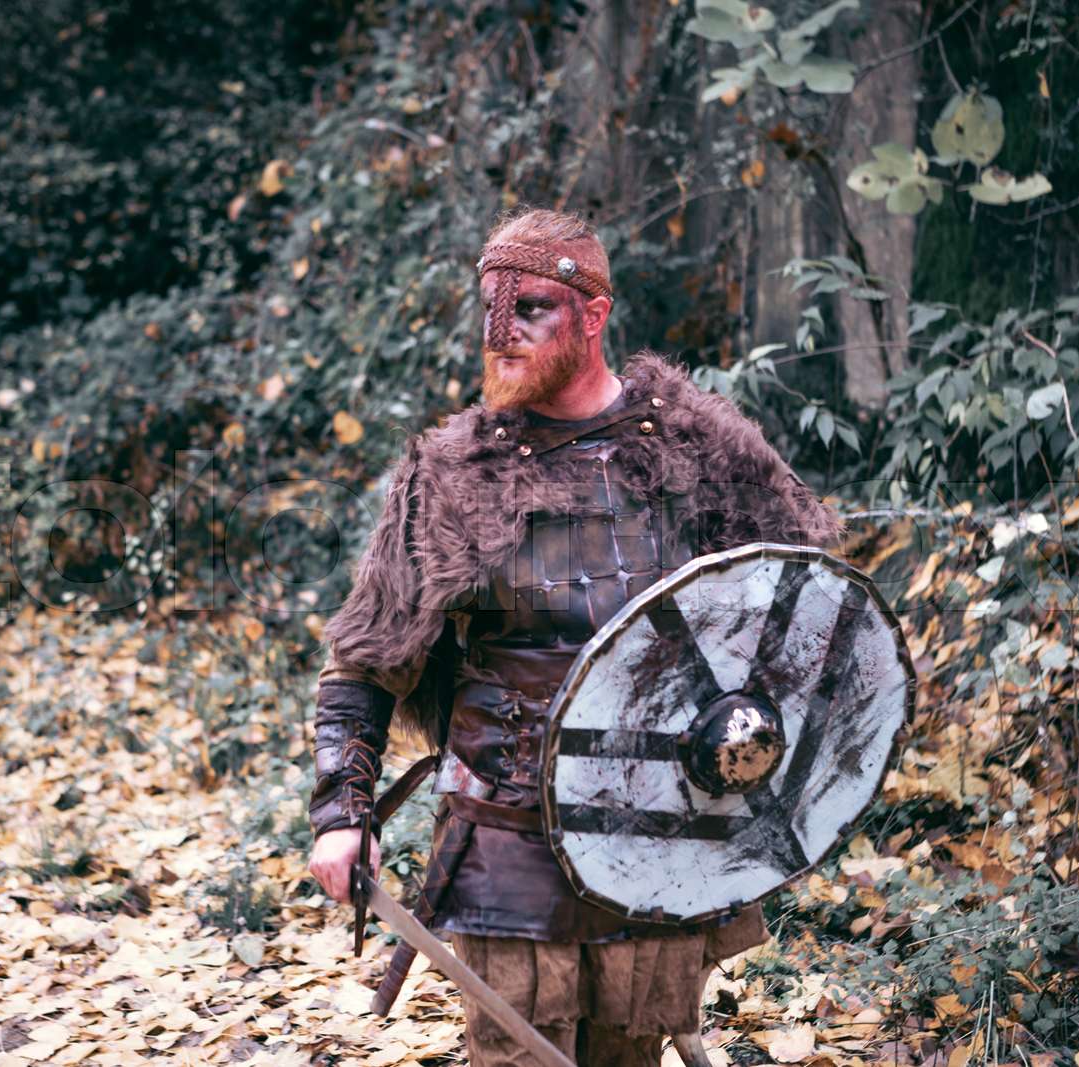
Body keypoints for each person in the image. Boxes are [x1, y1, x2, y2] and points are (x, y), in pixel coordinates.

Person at [306, 207, 843, 1066]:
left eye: (529, 310)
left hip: (659, 832)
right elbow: (365, 663)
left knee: (629, 1055)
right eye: (489, 310)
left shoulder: (700, 452)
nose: (498, 335)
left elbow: (801, 624)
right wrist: (343, 811)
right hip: (507, 838)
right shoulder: (453, 473)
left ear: (594, 315)